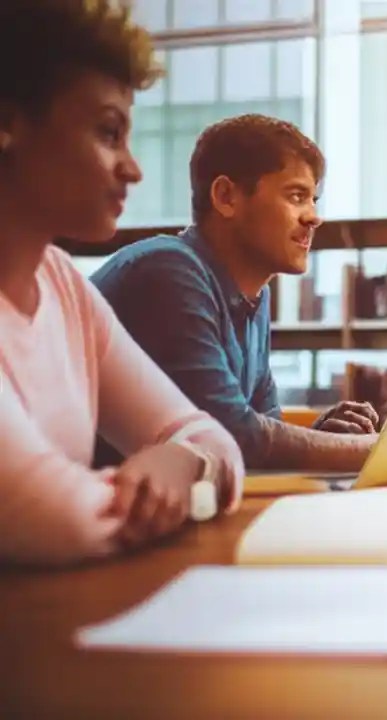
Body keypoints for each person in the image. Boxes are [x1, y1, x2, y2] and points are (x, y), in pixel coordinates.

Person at [92, 114, 387, 471]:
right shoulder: (168, 271)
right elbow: (231, 437)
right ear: (226, 197)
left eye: (314, 199)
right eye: (296, 196)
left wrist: (333, 436)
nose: (314, 217)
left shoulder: (253, 295)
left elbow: (260, 431)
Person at [0, 0, 244, 565]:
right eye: (109, 133)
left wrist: (184, 464)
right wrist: (188, 482)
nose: (133, 168)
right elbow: (52, 519)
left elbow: (216, 445)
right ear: (8, 124)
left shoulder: (63, 286)